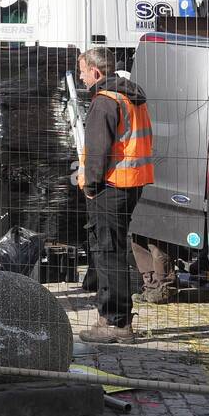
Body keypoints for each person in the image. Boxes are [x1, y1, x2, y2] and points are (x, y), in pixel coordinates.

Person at [75, 46, 154, 343]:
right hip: (132, 183)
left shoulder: (104, 102)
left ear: (95, 72)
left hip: (111, 186)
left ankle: (116, 321)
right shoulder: (130, 96)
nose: (81, 78)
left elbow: (98, 151)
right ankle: (112, 318)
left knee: (109, 255)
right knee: (114, 251)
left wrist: (91, 187)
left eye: (82, 72)